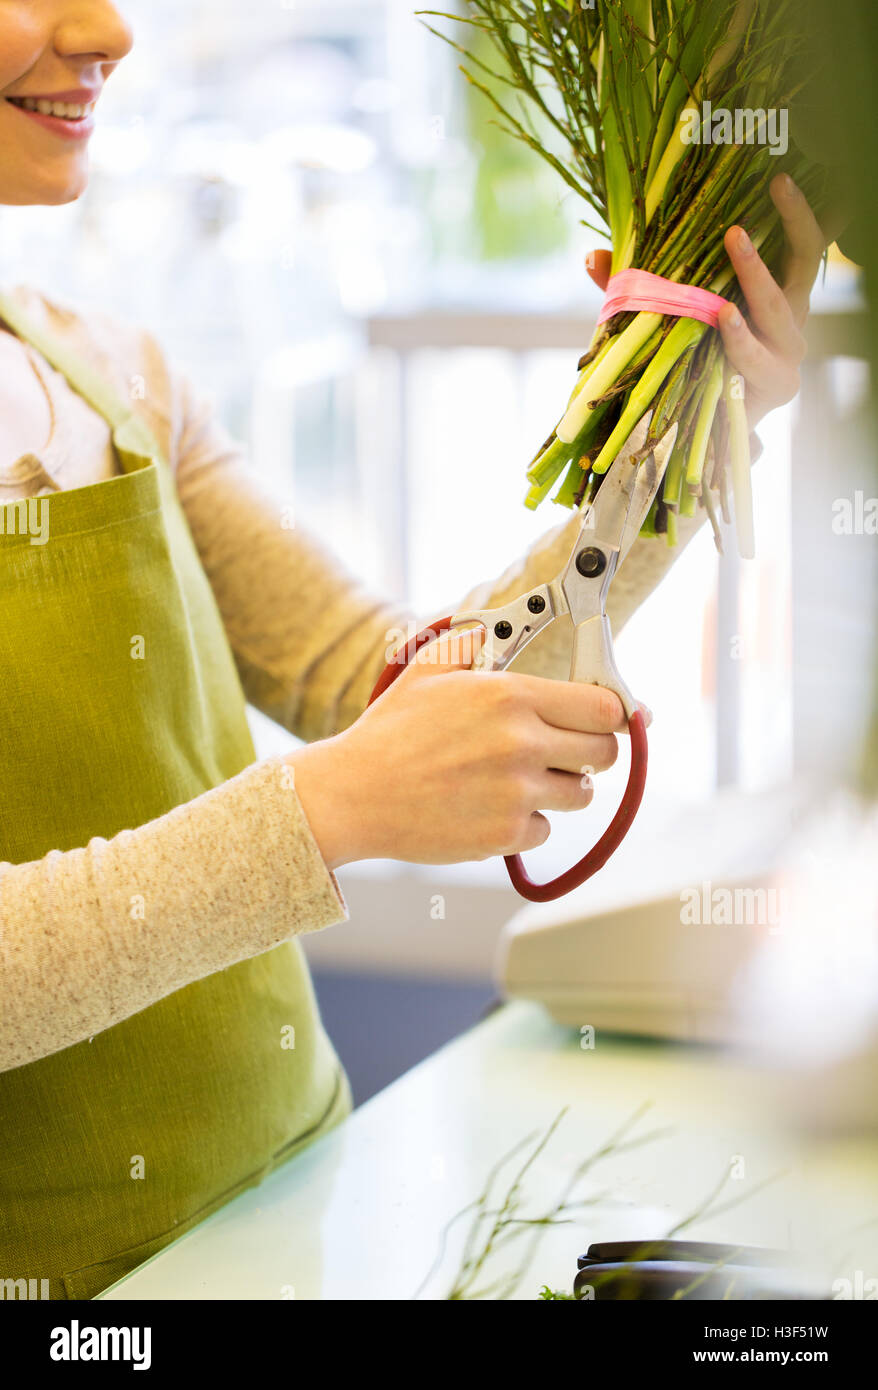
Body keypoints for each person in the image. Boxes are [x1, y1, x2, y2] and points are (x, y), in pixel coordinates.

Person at [0, 0, 826, 1299]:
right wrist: (319, 809)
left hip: (284, 1207)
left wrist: (670, 437)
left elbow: (389, 677)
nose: (107, 29)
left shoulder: (117, 372)